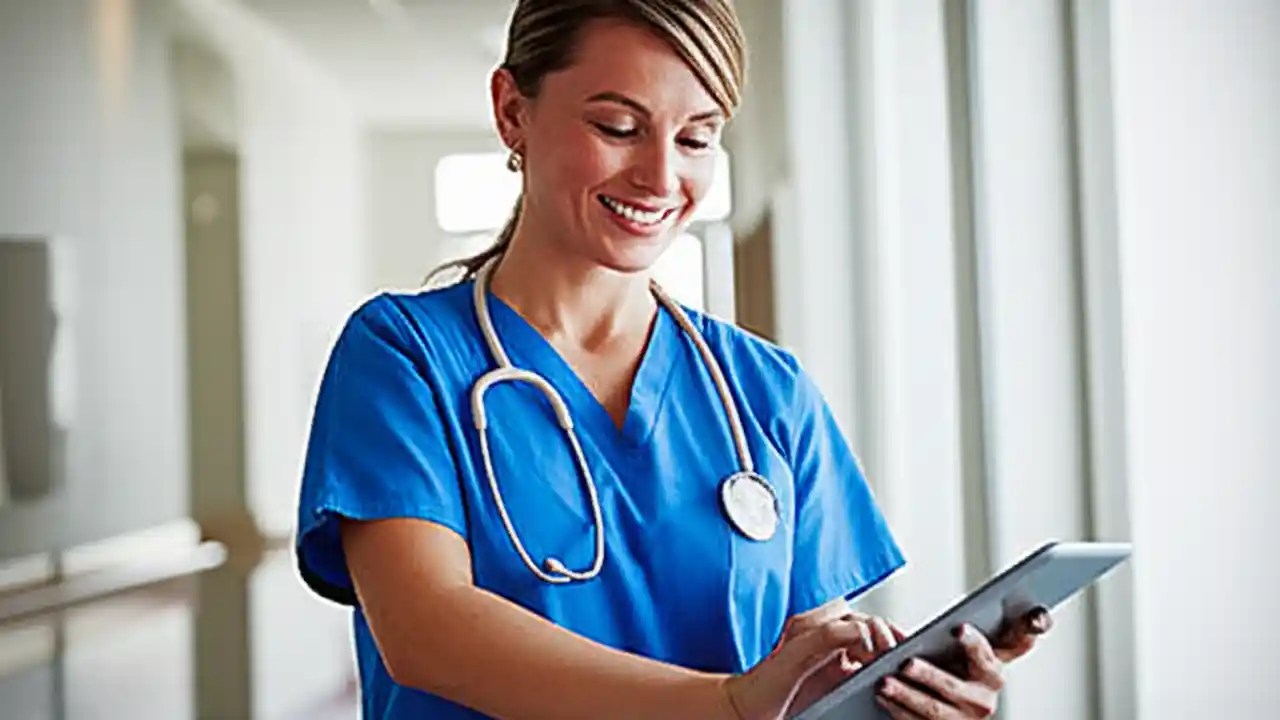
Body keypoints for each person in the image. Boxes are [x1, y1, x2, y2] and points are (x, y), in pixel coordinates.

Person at [295, 1, 1050, 718]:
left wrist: (908, 695)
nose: (660, 177)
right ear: (512, 111)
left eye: (696, 139)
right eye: (619, 127)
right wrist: (721, 707)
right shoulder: (405, 355)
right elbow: (426, 630)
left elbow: (808, 675)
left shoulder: (766, 390)